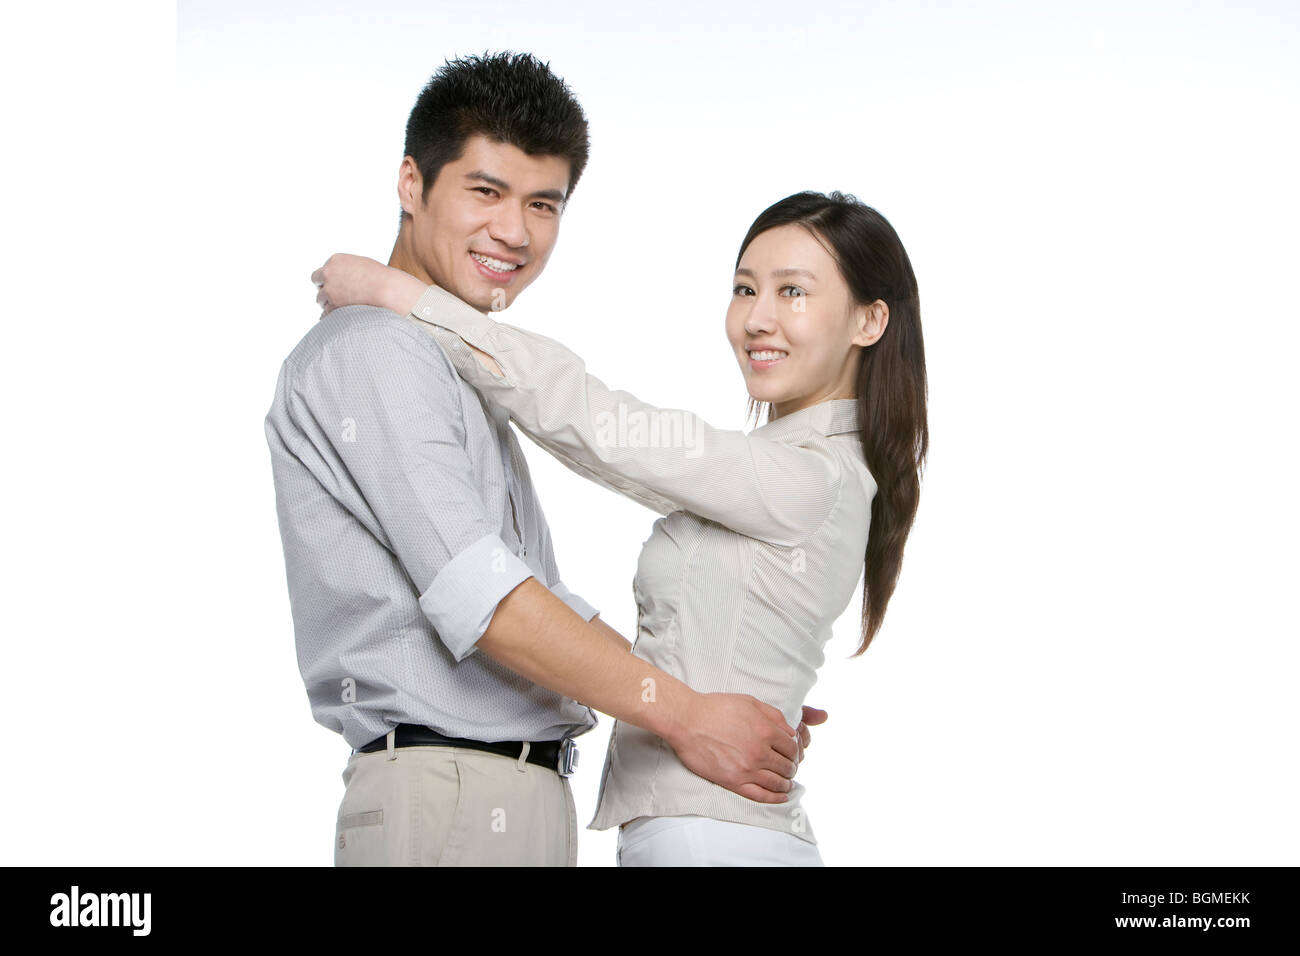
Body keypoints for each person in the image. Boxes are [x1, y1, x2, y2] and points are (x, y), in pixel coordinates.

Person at [264, 51, 822, 868]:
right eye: (485, 192)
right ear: (412, 184)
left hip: (488, 794)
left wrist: (721, 698)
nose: (514, 233)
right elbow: (486, 600)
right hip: (451, 791)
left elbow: (534, 596)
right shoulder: (380, 352)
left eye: (542, 204)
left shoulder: (444, 360)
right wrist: (688, 718)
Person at [312, 189, 930, 865]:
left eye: (793, 293)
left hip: (711, 837)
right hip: (706, 831)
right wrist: (745, 702)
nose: (758, 318)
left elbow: (598, 425)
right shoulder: (794, 470)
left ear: (870, 321)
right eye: (745, 288)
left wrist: (402, 295)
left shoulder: (813, 477)